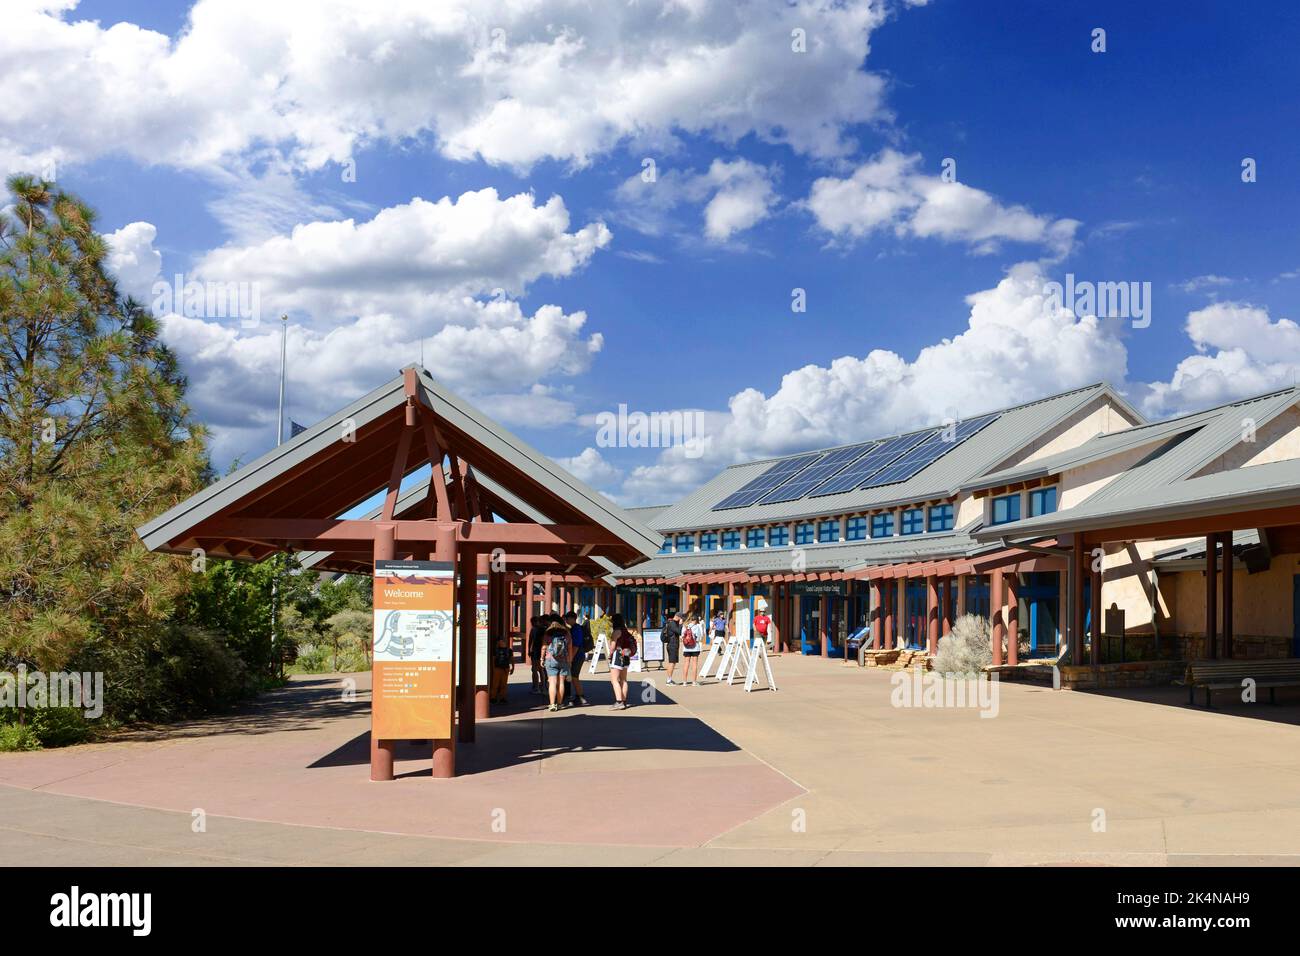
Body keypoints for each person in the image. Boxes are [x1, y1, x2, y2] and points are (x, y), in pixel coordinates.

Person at [608, 613, 638, 710]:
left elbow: (612, 647)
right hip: (626, 655)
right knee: (624, 680)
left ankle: (619, 701)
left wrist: (609, 655)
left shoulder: (616, 632)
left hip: (617, 655)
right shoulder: (625, 631)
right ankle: (624, 701)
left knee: (614, 680)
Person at [542, 622, 571, 712]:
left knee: (552, 682)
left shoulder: (547, 634)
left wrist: (541, 659)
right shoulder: (566, 634)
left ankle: (552, 704)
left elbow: (543, 647)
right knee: (561, 682)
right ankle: (560, 703)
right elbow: (569, 648)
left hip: (551, 660)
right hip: (563, 660)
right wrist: (569, 661)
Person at [564, 611, 590, 706]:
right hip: (577, 656)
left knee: (574, 677)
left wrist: (570, 659)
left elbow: (576, 646)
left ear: (573, 619)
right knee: (574, 677)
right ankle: (579, 696)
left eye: (567, 618)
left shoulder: (576, 629)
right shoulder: (574, 628)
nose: (566, 620)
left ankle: (581, 697)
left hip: (577, 656)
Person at [679, 614, 704, 685]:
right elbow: (699, 638)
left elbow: (682, 637)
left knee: (686, 663)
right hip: (695, 647)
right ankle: (694, 681)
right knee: (694, 664)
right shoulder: (697, 627)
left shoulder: (685, 626)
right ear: (696, 620)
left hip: (686, 648)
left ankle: (684, 682)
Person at [489, 634, 513, 704]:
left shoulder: (509, 650)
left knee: (504, 684)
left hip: (505, 668)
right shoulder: (496, 650)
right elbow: (493, 660)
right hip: (497, 668)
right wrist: (493, 668)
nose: (499, 642)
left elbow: (512, 659)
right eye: (499, 641)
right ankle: (493, 697)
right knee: (495, 684)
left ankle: (503, 698)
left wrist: (512, 668)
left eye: (500, 641)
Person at [527, 616, 546, 694]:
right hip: (541, 651)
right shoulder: (544, 629)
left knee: (534, 669)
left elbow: (530, 641)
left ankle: (536, 687)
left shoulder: (534, 629)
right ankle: (543, 686)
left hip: (535, 651)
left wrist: (529, 650)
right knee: (541, 669)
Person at [662, 611, 682, 684]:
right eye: (681, 618)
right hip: (672, 645)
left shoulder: (672, 623)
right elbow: (679, 632)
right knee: (671, 663)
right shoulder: (672, 624)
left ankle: (670, 679)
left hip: (673, 645)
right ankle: (668, 680)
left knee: (673, 662)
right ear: (678, 617)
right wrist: (680, 624)